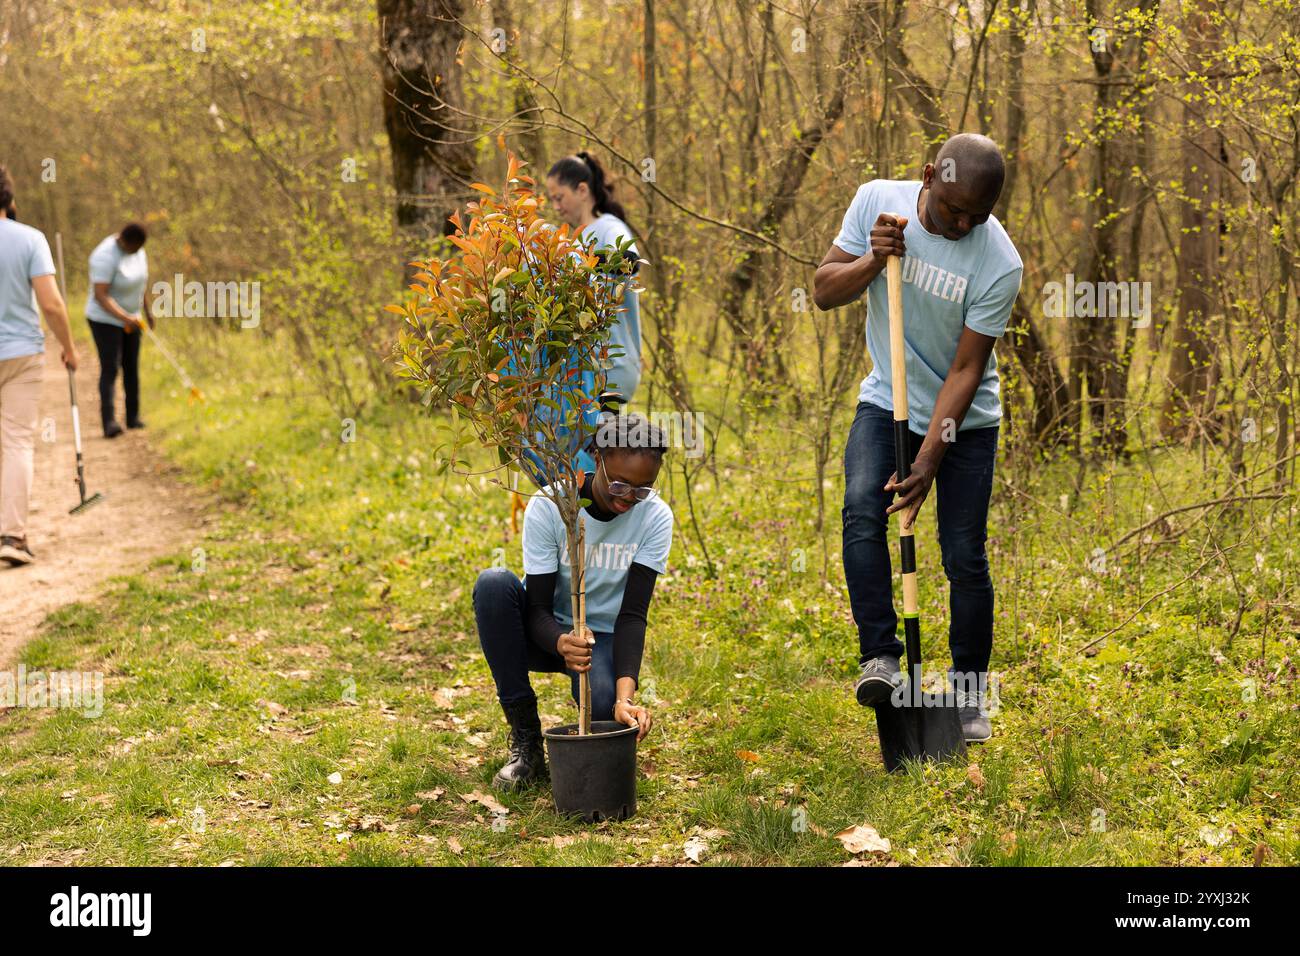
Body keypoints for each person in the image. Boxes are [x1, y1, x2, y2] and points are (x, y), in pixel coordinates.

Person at [812, 133, 1023, 744]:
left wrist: (931, 457)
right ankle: (880, 657)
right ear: (929, 174)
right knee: (860, 510)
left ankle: (968, 691)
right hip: (888, 399)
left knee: (962, 554)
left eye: (975, 216)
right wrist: (873, 261)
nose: (962, 224)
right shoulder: (879, 202)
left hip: (966, 421)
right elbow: (824, 291)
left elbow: (965, 371)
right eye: (953, 208)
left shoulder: (998, 262)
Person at [472, 413, 674, 792]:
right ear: (596, 458)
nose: (628, 498)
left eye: (642, 489)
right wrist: (560, 641)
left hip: (603, 640)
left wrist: (623, 699)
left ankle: (605, 707)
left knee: (603, 714)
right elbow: (536, 609)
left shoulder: (655, 517)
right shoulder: (551, 506)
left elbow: (632, 617)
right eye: (619, 483)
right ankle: (527, 740)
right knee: (494, 585)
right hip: (545, 631)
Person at [0, 165, 79, 566]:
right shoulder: (31, 239)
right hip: (22, 354)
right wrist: (69, 347)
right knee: (16, 441)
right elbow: (50, 303)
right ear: (9, 200)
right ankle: (13, 537)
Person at [545, 152, 642, 409]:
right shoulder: (573, 238)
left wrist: (578, 261)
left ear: (582, 190)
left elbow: (628, 260)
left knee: (599, 444)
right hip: (587, 370)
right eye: (551, 200)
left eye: (559, 197)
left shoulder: (609, 227)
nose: (555, 206)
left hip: (612, 368)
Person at [85, 222, 151, 437]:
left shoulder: (139, 251)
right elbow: (100, 295)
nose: (137, 251)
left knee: (131, 366)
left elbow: (141, 284)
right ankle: (109, 422)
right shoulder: (104, 255)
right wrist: (125, 318)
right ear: (125, 241)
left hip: (132, 319)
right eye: (134, 248)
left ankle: (133, 417)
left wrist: (147, 312)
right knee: (111, 367)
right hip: (104, 319)